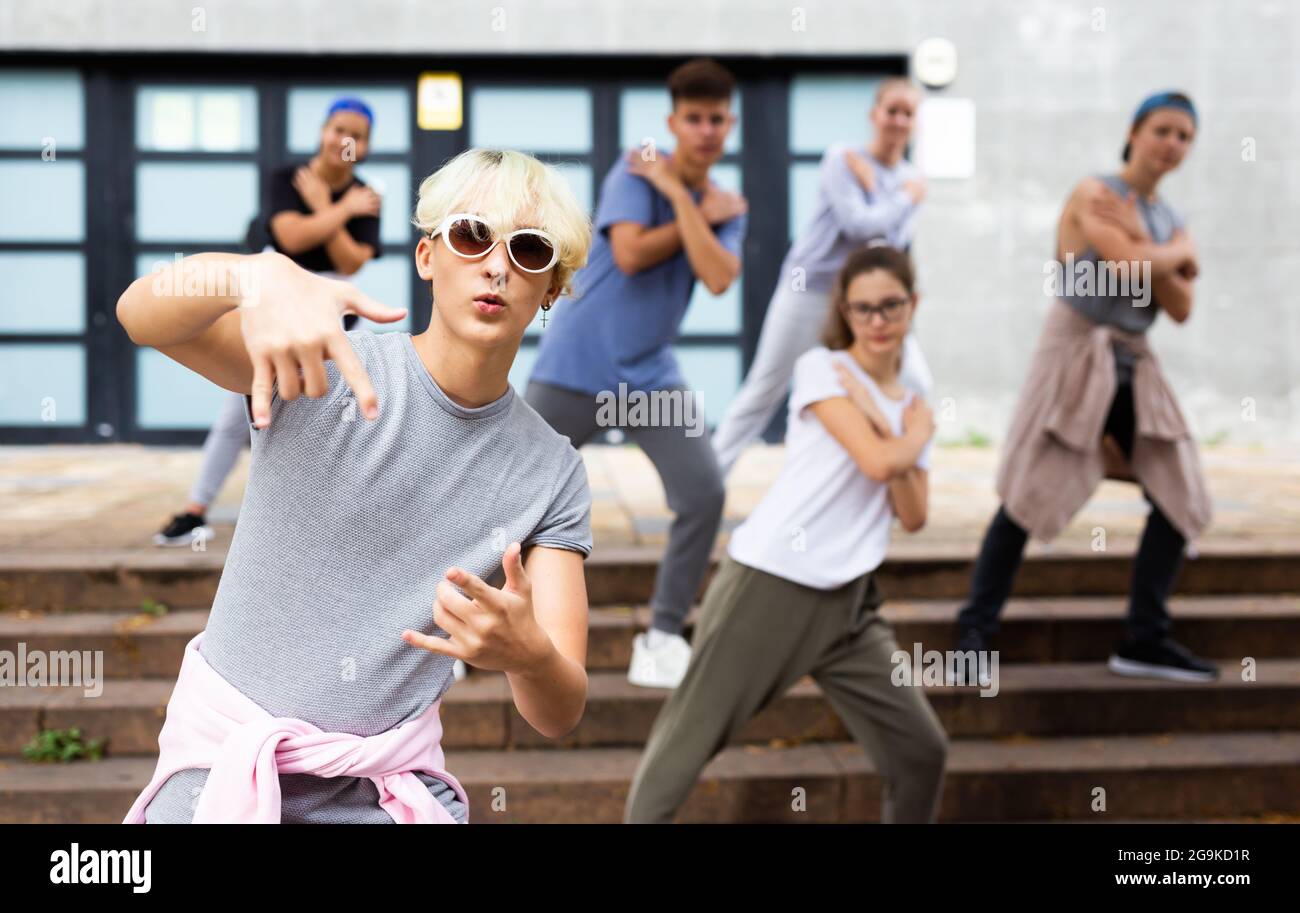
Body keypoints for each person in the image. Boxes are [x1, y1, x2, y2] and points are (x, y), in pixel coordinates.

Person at [117, 147, 594, 823]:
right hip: (222, 771)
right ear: (429, 256)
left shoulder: (552, 472)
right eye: (472, 234)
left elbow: (559, 710)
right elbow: (140, 313)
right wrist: (255, 273)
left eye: (530, 249)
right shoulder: (326, 362)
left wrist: (531, 655)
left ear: (551, 288)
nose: (497, 264)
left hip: (387, 794)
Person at [625, 245, 947, 823]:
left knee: (921, 751)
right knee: (685, 744)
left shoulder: (911, 401)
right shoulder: (821, 369)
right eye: (862, 308)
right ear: (844, 311)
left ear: (913, 305)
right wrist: (907, 435)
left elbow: (915, 512)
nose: (877, 321)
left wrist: (891, 423)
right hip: (770, 585)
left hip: (850, 602)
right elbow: (877, 464)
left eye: (890, 306)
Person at [954, 91, 1216, 682]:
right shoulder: (1095, 192)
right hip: (1075, 349)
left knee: (1180, 489)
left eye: (1183, 136)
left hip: (1134, 360)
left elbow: (1179, 306)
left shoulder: (1165, 214)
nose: (1172, 144)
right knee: (1028, 488)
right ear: (1135, 131)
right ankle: (974, 632)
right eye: (1162, 130)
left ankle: (1144, 638)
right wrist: (1179, 253)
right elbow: (1127, 269)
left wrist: (1158, 253)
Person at [524, 58, 748, 689]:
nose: (705, 131)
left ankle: (662, 637)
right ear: (674, 122)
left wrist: (680, 195)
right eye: (694, 119)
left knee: (704, 493)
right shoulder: (635, 164)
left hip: (650, 377)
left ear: (728, 125)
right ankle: (466, 627)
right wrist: (692, 207)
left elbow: (718, 274)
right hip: (577, 362)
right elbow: (629, 251)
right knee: (507, 490)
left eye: (716, 120)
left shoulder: (722, 202)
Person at [153, 96, 383, 548]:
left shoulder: (368, 193)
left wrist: (323, 215)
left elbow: (352, 261)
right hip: (272, 306)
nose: (345, 141)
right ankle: (195, 510)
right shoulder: (290, 179)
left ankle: (324, 516)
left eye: (357, 134)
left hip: (333, 311)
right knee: (238, 408)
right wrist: (337, 210)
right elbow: (290, 236)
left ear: (367, 144)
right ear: (323, 130)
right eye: (339, 129)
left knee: (328, 404)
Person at [711, 78, 931, 477]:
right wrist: (899, 198)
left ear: (916, 122)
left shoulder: (911, 179)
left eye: (907, 113)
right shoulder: (842, 159)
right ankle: (705, 486)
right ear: (874, 115)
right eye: (891, 110)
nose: (898, 120)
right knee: (765, 389)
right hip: (809, 290)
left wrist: (881, 193)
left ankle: (903, 476)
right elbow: (859, 226)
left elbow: (889, 245)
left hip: (864, 303)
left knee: (915, 379)